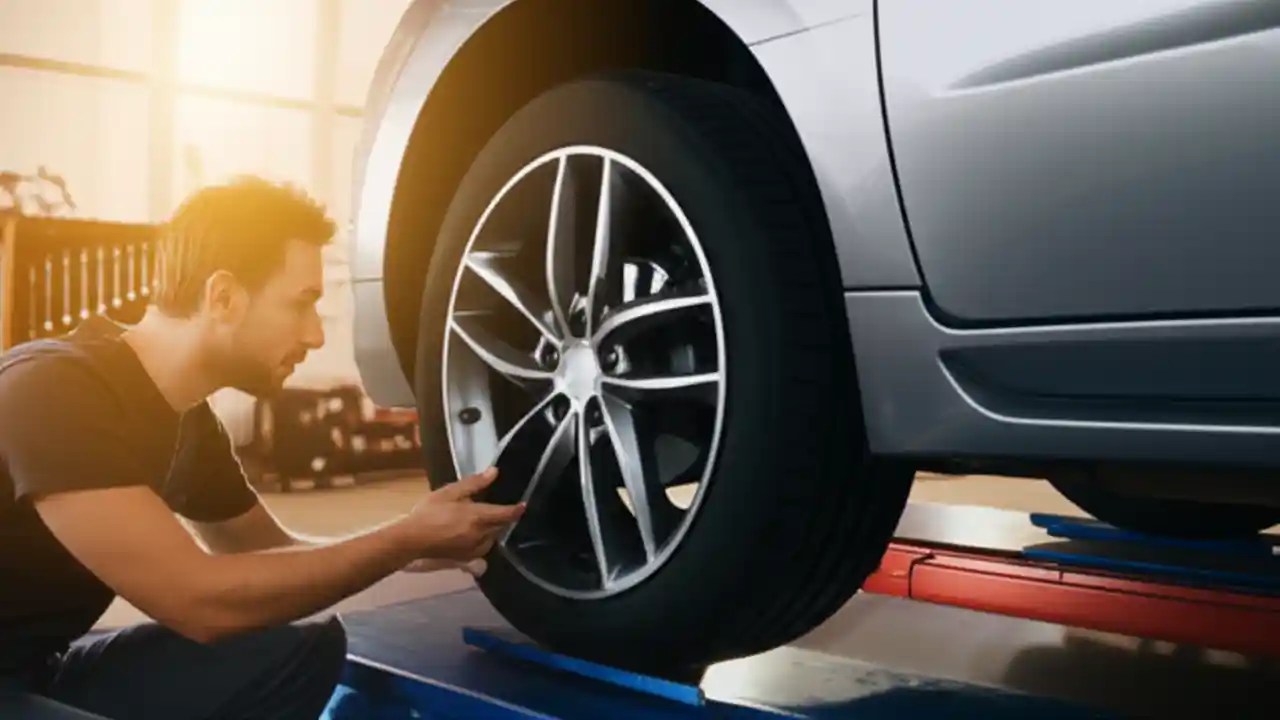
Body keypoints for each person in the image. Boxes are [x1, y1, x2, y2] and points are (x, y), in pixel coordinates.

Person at [0, 177, 524, 719]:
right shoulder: (55, 390)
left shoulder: (189, 423)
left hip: (36, 668)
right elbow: (197, 601)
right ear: (223, 297)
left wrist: (405, 550)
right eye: (302, 304)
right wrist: (395, 542)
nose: (316, 335)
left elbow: (262, 551)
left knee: (301, 639)